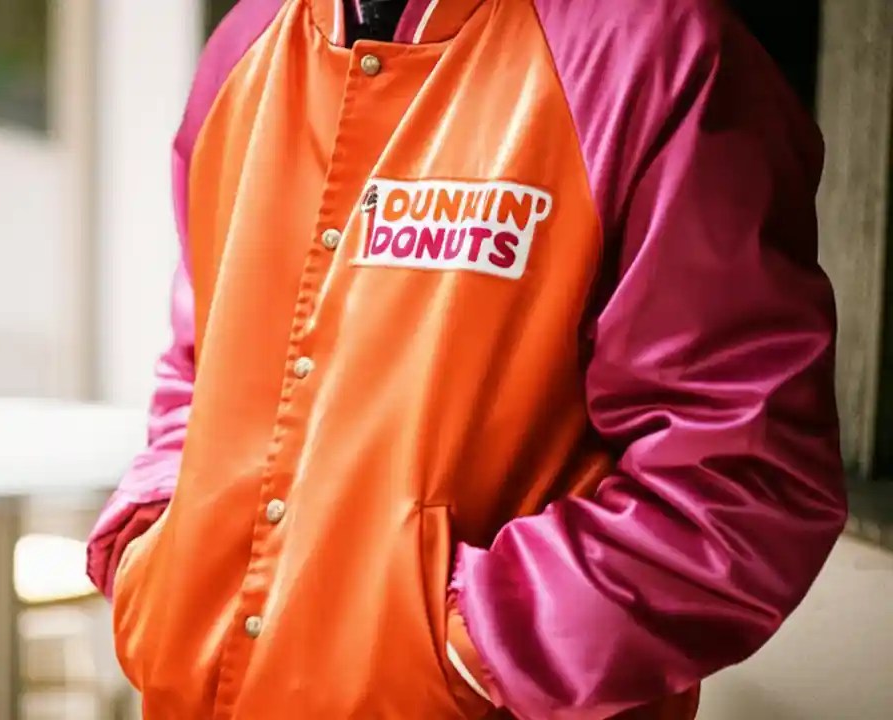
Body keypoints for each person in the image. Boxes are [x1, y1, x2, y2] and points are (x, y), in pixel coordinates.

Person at [87, 0, 846, 718]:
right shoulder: (248, 41)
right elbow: (199, 366)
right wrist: (154, 541)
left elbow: (740, 476)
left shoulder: (656, 57)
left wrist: (471, 644)